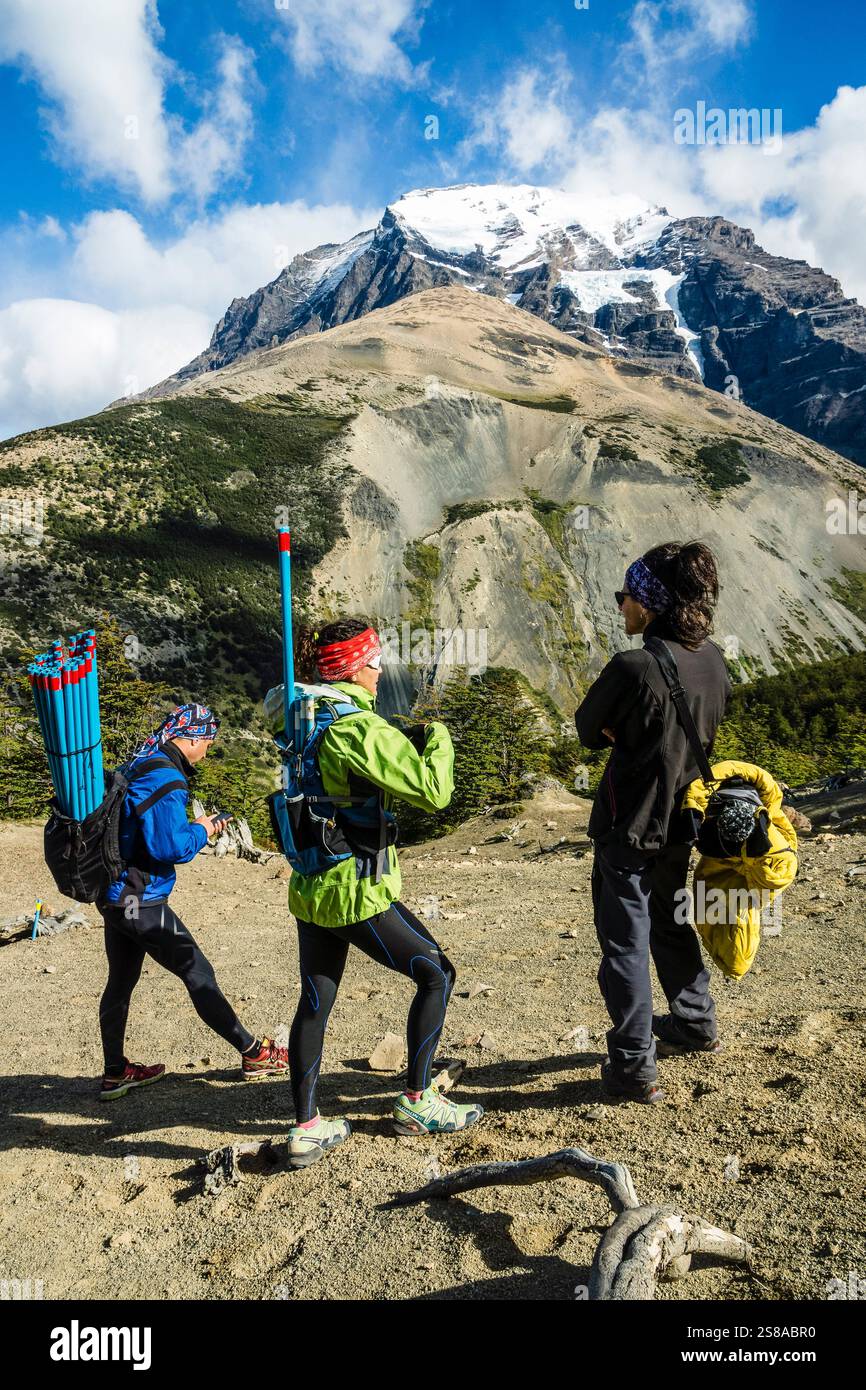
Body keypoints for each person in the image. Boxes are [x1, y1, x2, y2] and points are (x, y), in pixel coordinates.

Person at [271, 619, 483, 1168]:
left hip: (312, 883)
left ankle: (307, 1127)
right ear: (349, 668)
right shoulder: (355, 728)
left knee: (316, 1000)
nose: (380, 668)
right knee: (437, 972)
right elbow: (433, 791)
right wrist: (436, 738)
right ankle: (417, 1101)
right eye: (372, 660)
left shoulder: (302, 714)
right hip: (356, 886)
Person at [574, 542, 733, 1103]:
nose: (621, 606)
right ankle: (694, 1021)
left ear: (651, 602)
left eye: (628, 596)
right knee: (668, 921)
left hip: (628, 822)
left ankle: (633, 1067)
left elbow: (587, 727)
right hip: (682, 822)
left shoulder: (633, 665)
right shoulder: (714, 659)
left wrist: (621, 730)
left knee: (625, 940)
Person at [96, 703, 288, 1099]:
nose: (209, 751)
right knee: (197, 972)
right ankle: (253, 1053)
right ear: (193, 738)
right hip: (140, 900)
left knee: (120, 981)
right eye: (209, 743)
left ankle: (116, 1072)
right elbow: (171, 847)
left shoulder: (143, 762)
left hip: (114, 895)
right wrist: (202, 829)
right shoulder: (168, 780)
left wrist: (197, 827)